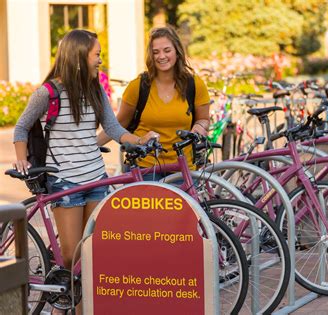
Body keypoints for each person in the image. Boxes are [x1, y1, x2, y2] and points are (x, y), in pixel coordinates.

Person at [12, 29, 158, 314]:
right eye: (97, 54)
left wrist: (139, 140)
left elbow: (113, 128)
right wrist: (22, 160)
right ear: (79, 56)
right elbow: (21, 127)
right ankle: (61, 302)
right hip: (65, 182)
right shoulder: (48, 93)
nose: (100, 60)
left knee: (90, 256)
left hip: (96, 178)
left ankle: (81, 310)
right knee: (71, 255)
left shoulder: (95, 89)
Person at [98, 26, 211, 179]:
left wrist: (199, 127)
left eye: (167, 50)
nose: (161, 56)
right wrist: (89, 146)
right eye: (155, 52)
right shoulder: (138, 86)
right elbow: (117, 125)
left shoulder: (194, 84)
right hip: (143, 169)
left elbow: (203, 119)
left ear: (177, 51)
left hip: (182, 169)